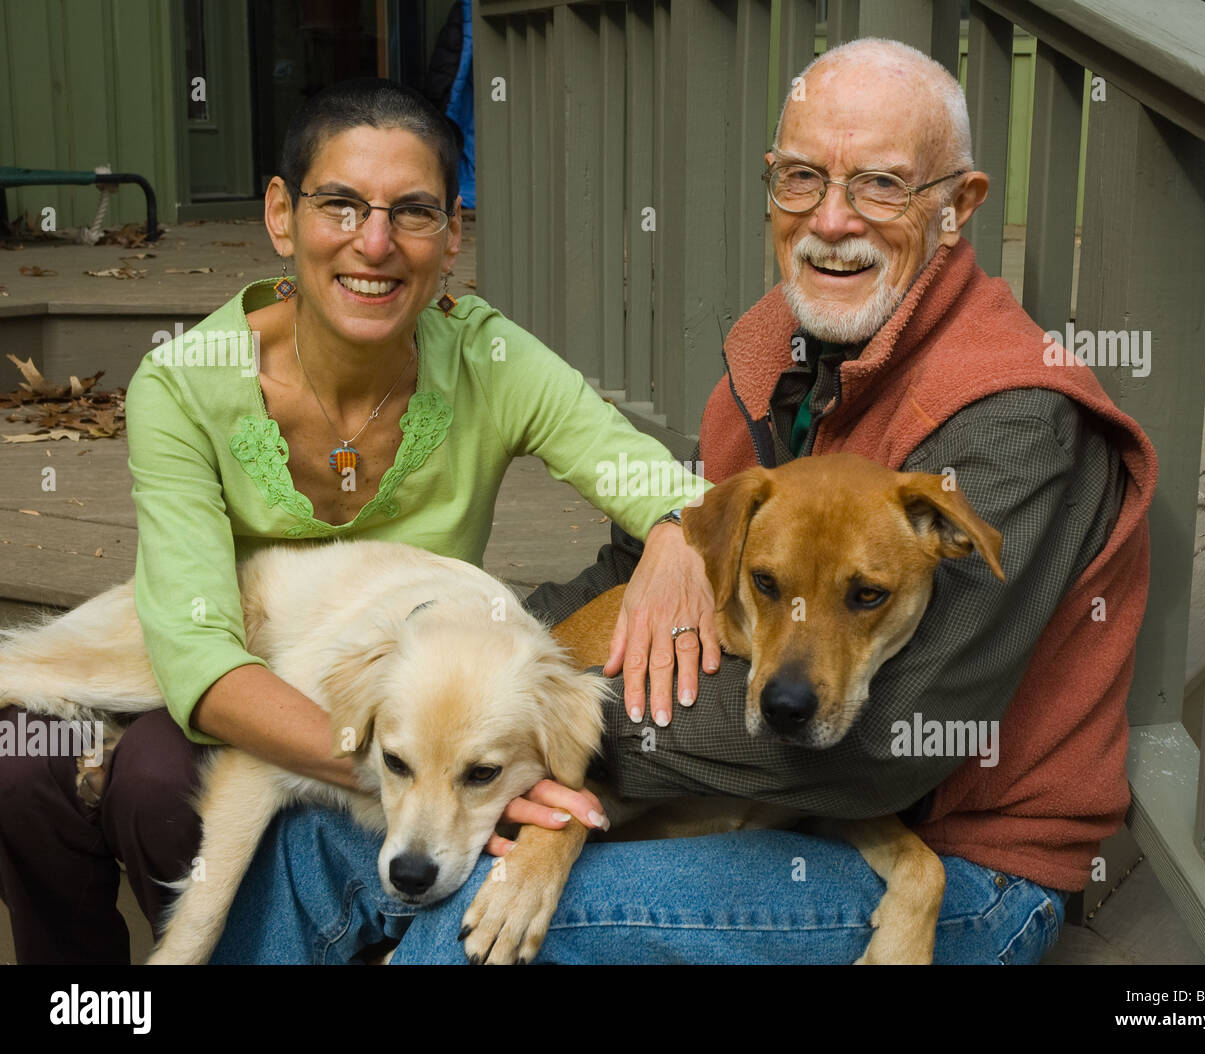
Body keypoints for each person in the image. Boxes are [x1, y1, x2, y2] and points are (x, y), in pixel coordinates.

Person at [215, 36, 1156, 966]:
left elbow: (882, 744)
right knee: (310, 847)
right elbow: (637, 569)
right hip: (749, 815)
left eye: (880, 184)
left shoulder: (1013, 417)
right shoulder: (777, 362)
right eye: (801, 179)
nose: (832, 220)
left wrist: (539, 734)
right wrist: (454, 661)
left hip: (960, 866)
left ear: (958, 207)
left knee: (469, 938)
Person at [0, 77, 717, 964]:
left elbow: (653, 479)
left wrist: (681, 533)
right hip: (243, 649)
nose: (373, 244)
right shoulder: (185, 381)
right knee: (23, 763)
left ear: (453, 235)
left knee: (151, 781)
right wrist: (398, 774)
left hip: (405, 685)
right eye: (339, 204)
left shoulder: (490, 358)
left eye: (412, 213)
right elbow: (199, 652)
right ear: (281, 215)